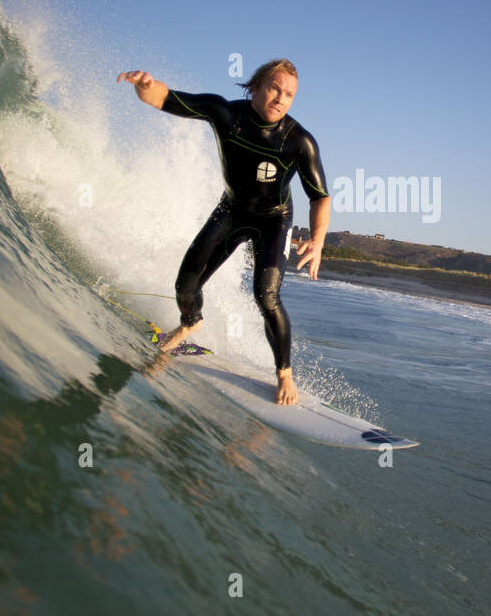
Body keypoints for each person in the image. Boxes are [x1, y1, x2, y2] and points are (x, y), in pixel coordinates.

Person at [118, 60, 331, 405]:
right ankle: (190, 323)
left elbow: (320, 197)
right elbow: (168, 99)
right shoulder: (226, 113)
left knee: (266, 296)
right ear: (255, 87)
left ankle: (284, 374)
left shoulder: (299, 142)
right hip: (231, 210)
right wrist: (146, 87)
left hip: (273, 221)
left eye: (289, 94)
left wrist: (318, 240)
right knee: (185, 284)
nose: (281, 98)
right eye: (274, 89)